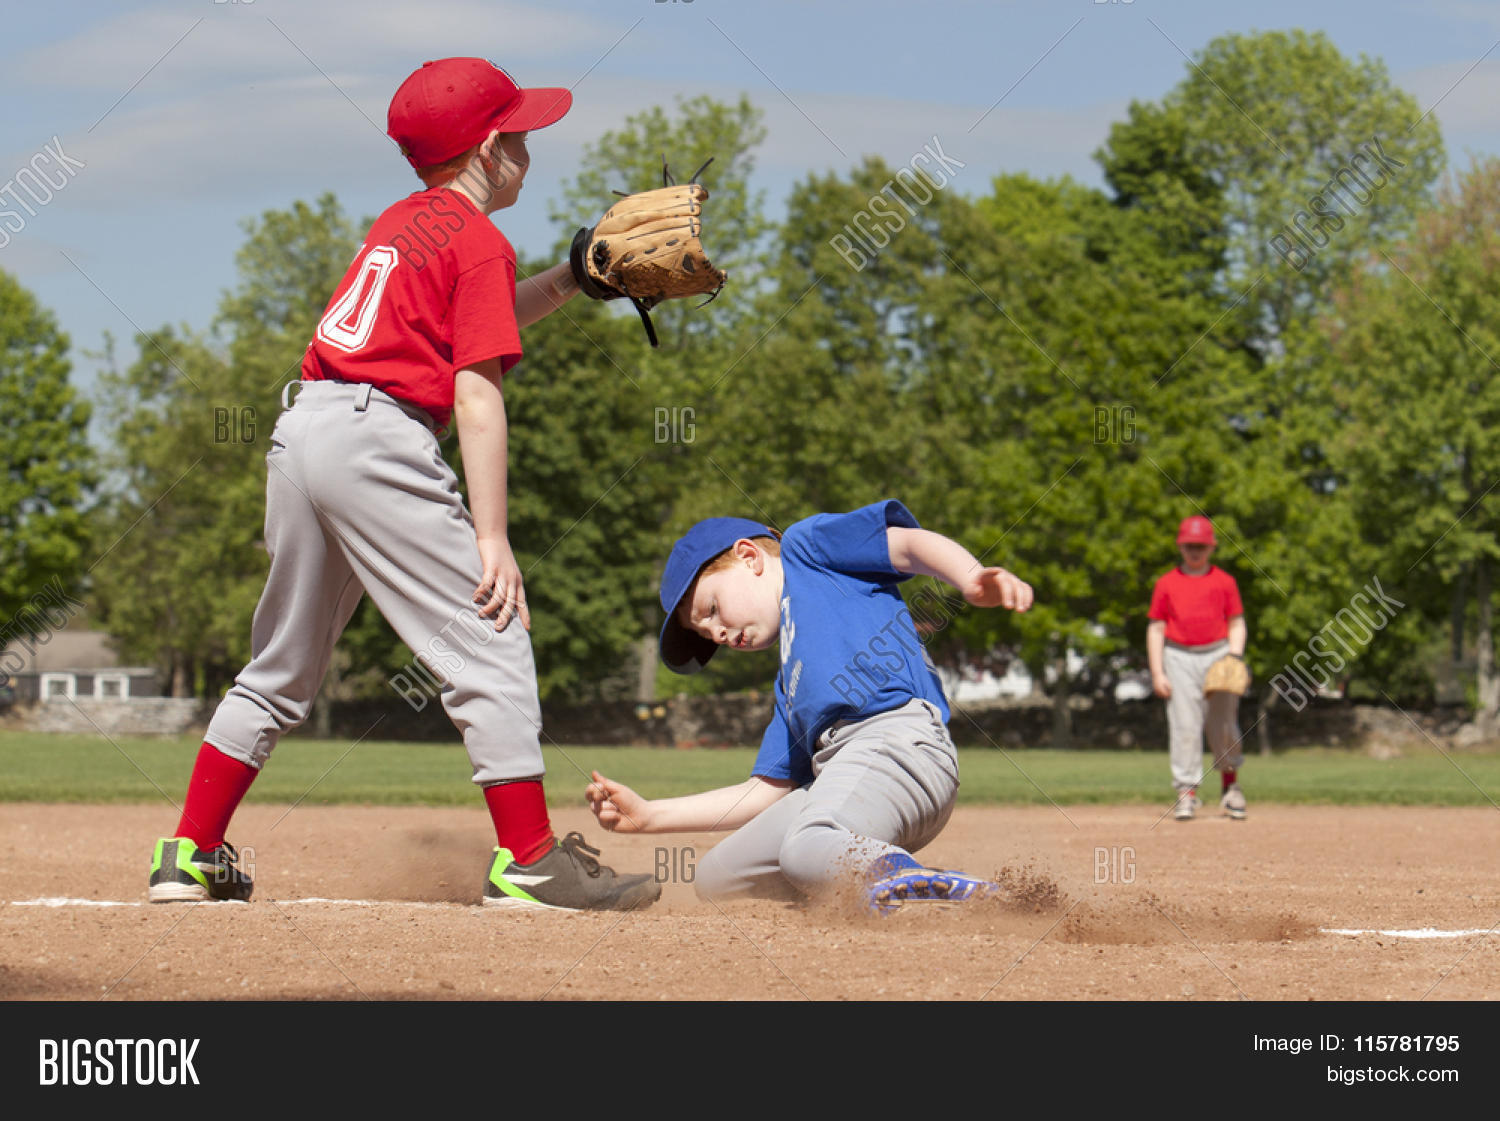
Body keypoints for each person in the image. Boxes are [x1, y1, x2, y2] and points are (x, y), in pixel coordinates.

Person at [148, 57, 659, 912]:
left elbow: (465, 317)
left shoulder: (402, 225)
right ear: (490, 149)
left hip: (305, 426)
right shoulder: (481, 240)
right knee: (490, 636)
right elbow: (475, 388)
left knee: (279, 665)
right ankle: (531, 860)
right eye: (522, 138)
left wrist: (573, 278)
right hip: (377, 441)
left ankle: (189, 852)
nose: (530, 152)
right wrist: (493, 538)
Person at [584, 500, 1034, 914]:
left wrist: (970, 577)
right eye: (706, 636)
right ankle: (890, 881)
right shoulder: (790, 686)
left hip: (900, 745)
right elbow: (763, 792)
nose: (717, 633)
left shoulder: (806, 550)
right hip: (843, 780)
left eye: (713, 609)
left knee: (806, 846)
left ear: (749, 556)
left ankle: (894, 881)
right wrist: (649, 816)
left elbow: (907, 546)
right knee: (721, 878)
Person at [1146, 515, 1248, 822]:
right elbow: (1155, 629)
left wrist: (1234, 656)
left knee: (1224, 725)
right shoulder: (1166, 583)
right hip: (1177, 656)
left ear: (1211, 548)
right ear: (1180, 546)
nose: (1195, 551)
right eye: (1189, 545)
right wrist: (1157, 672)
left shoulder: (1224, 581)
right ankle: (1186, 793)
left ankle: (1230, 788)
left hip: (1218, 653)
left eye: (1200, 546)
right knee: (1185, 726)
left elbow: (1236, 622)